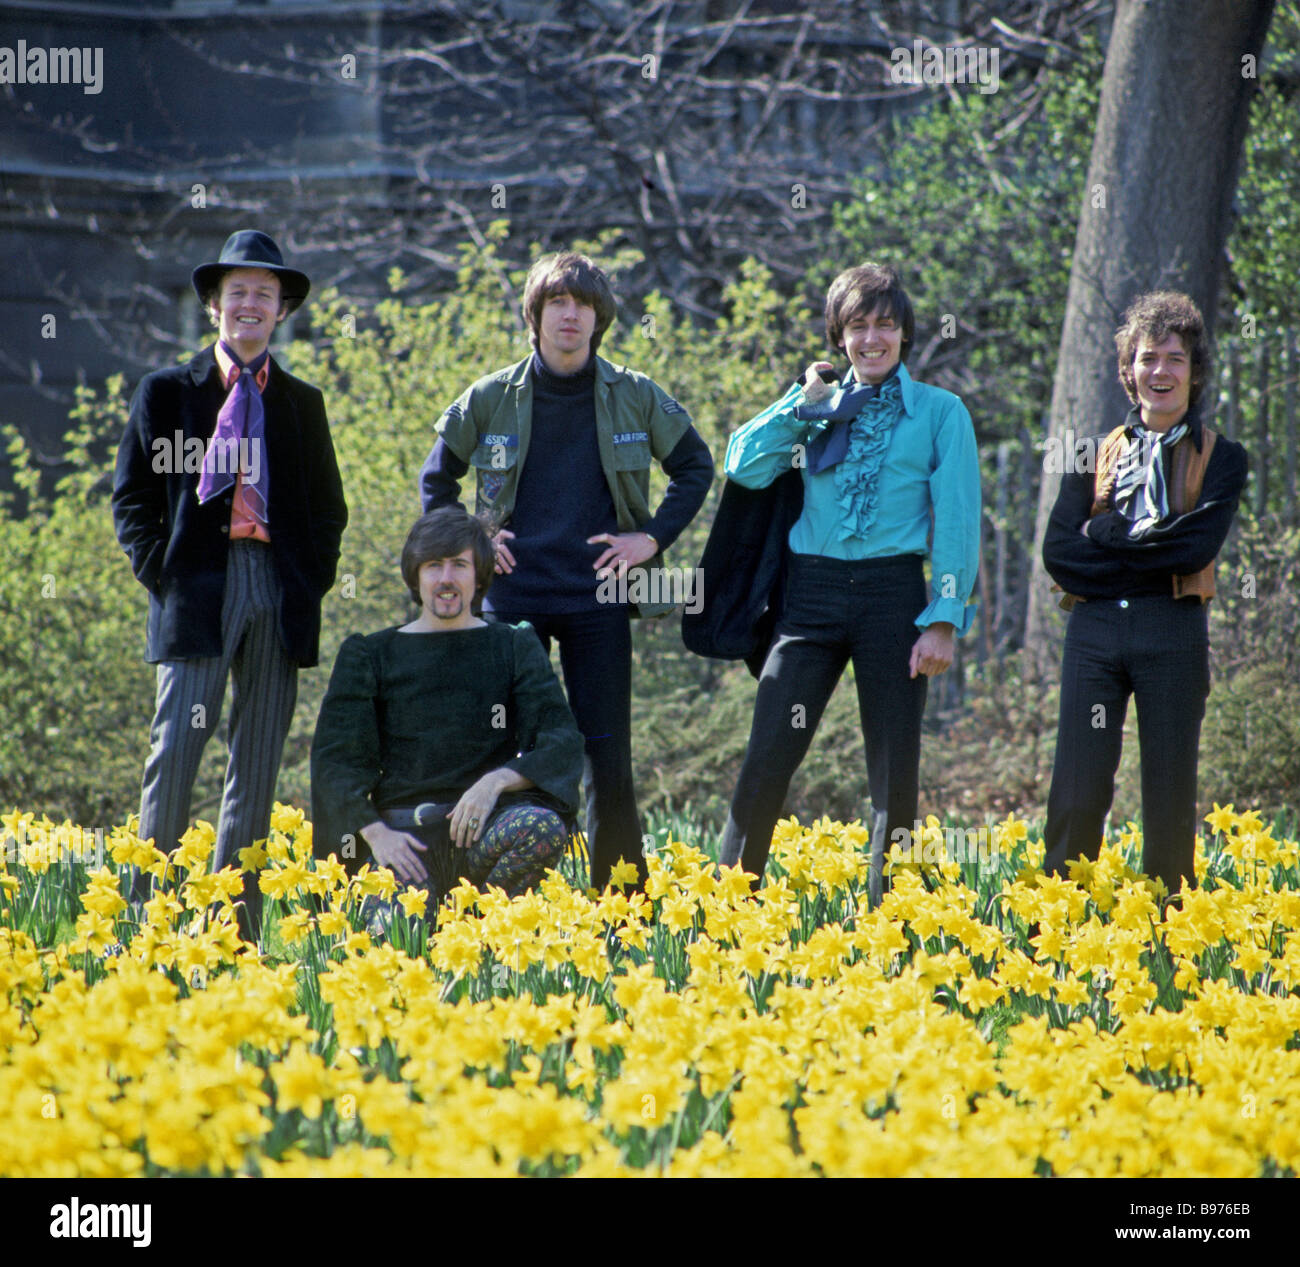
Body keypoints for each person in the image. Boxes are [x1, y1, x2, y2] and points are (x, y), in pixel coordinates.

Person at [419, 251, 713, 890]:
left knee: (608, 756)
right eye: (557, 302)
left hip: (599, 599)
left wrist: (650, 540)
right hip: (509, 601)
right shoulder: (493, 395)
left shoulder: (633, 393)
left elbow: (696, 467)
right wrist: (471, 546)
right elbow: (436, 477)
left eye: (582, 304)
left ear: (599, 318)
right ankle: (485, 904)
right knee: (495, 750)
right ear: (536, 314)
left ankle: (623, 912)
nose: (570, 314)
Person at [716, 262, 981, 901]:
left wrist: (944, 617)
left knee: (895, 774)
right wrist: (799, 405)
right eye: (858, 326)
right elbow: (742, 465)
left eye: (885, 325)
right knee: (766, 758)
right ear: (839, 336)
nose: (872, 339)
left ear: (904, 334)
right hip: (809, 599)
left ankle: (888, 925)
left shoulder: (941, 413)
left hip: (893, 598)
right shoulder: (815, 407)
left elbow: (958, 519)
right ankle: (724, 913)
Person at [112, 229, 347, 937]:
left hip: (277, 588)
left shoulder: (302, 404)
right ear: (215, 306)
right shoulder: (167, 393)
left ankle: (231, 927)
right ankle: (144, 920)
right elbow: (132, 500)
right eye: (237, 292)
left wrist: (308, 581)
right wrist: (166, 574)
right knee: (176, 752)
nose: (250, 304)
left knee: (256, 763)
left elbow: (330, 509)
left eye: (264, 295)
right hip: (198, 591)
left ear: (279, 312)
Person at [1041, 291, 1248, 895]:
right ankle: (1059, 916)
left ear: (1195, 371)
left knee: (1168, 795)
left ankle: (1166, 935)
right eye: (1147, 358)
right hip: (1095, 633)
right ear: (1128, 372)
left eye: (1175, 359)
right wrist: (1147, 547)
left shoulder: (1224, 458)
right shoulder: (1087, 452)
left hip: (1173, 629)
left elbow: (1195, 549)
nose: (1161, 371)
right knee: (1077, 792)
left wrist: (1107, 531)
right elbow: (1061, 555)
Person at [310, 508, 584, 905]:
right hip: (404, 846)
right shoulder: (370, 654)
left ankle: (486, 932)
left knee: (540, 828)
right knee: (397, 942)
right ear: (416, 575)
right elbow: (336, 763)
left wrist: (495, 783)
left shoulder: (512, 645)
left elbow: (560, 741)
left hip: (486, 834)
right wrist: (375, 833)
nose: (445, 578)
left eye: (459, 564)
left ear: (478, 575)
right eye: (433, 565)